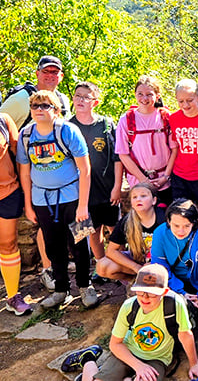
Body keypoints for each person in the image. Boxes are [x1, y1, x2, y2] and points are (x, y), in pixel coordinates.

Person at [16, 90, 97, 308]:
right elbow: (24, 173)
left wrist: (83, 204)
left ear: (56, 110)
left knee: (80, 243)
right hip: (42, 199)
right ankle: (61, 289)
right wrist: (28, 205)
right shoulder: (25, 135)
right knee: (53, 246)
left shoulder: (68, 131)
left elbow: (85, 169)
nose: (40, 110)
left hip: (72, 197)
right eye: (35, 106)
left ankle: (85, 285)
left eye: (45, 106)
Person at [1, 55, 70, 291]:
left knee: (59, 220)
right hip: (26, 174)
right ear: (37, 73)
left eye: (55, 73)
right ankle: (48, 269)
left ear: (61, 76)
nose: (50, 76)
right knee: (43, 221)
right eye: (46, 72)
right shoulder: (22, 99)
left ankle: (61, 266)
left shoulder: (62, 99)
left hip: (58, 171)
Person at [77, 263, 198, 381]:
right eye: (140, 292)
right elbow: (115, 344)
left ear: (164, 292)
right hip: (128, 352)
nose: (145, 297)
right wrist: (138, 366)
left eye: (151, 293)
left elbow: (185, 335)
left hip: (157, 359)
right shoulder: (129, 306)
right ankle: (88, 358)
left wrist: (194, 364)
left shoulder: (175, 304)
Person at [69, 82, 123, 267]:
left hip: (107, 188)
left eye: (86, 97)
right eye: (78, 96)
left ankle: (122, 265)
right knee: (92, 231)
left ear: (96, 102)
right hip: (82, 192)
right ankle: (101, 265)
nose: (81, 100)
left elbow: (118, 157)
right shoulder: (67, 126)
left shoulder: (106, 124)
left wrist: (117, 186)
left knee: (116, 229)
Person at [115, 75, 178, 207]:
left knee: (166, 219)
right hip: (138, 182)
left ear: (157, 95)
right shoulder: (126, 120)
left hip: (165, 181)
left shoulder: (165, 117)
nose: (144, 99)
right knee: (143, 220)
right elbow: (123, 154)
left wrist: (165, 177)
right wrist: (143, 180)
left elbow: (174, 149)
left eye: (149, 94)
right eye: (140, 94)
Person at [151, 199, 198, 310]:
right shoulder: (160, 233)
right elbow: (160, 266)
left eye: (186, 226)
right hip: (173, 282)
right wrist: (180, 293)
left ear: (194, 223)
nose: (181, 231)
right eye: (176, 226)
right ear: (168, 221)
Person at [96, 182, 165, 281]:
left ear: (154, 200)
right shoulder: (127, 221)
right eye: (135, 197)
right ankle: (134, 280)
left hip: (161, 262)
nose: (139, 199)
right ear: (132, 203)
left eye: (143, 196)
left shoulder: (164, 219)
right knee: (102, 266)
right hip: (139, 261)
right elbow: (111, 251)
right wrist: (136, 267)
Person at [169, 79, 198, 225]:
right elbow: (174, 146)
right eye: (181, 101)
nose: (185, 105)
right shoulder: (173, 118)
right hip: (180, 174)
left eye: (189, 100)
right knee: (180, 213)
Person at [0, 113, 31, 315]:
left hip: (7, 192)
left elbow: (19, 156)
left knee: (8, 244)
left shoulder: (3, 120)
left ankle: (13, 295)